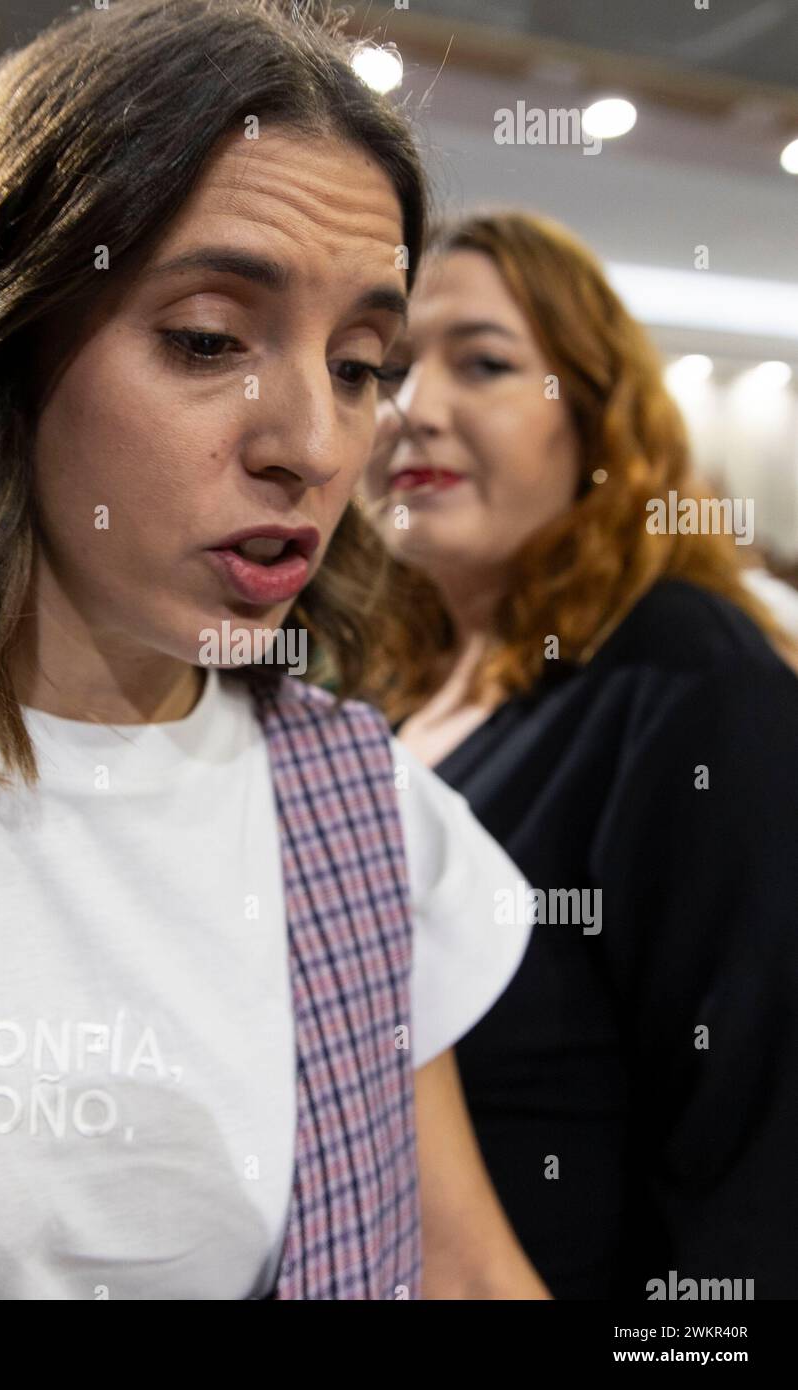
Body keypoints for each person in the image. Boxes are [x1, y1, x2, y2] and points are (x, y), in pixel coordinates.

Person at [0, 2, 546, 1301]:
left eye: (361, 361)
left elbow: (463, 1269)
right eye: (207, 339)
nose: (313, 444)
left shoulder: (369, 825)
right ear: (0, 336)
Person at [360, 209, 798, 1300]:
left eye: (484, 363)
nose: (413, 409)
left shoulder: (690, 681)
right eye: (383, 367)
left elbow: (757, 1147)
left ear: (595, 419)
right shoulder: (382, 691)